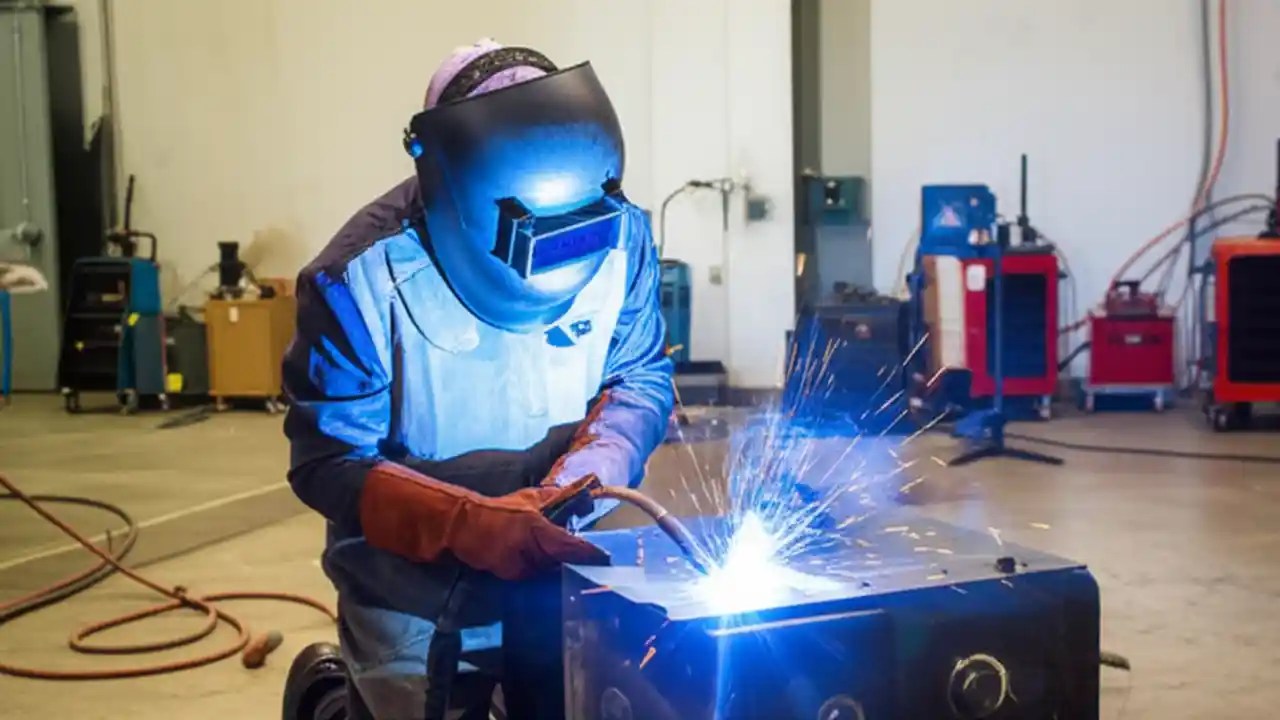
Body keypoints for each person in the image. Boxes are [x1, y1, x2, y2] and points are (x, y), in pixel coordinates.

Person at [280, 39, 675, 720]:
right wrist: (467, 523)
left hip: (560, 563)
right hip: (412, 588)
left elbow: (639, 375)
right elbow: (328, 463)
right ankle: (332, 702)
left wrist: (580, 479)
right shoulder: (357, 280)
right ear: (453, 185)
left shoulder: (624, 236)